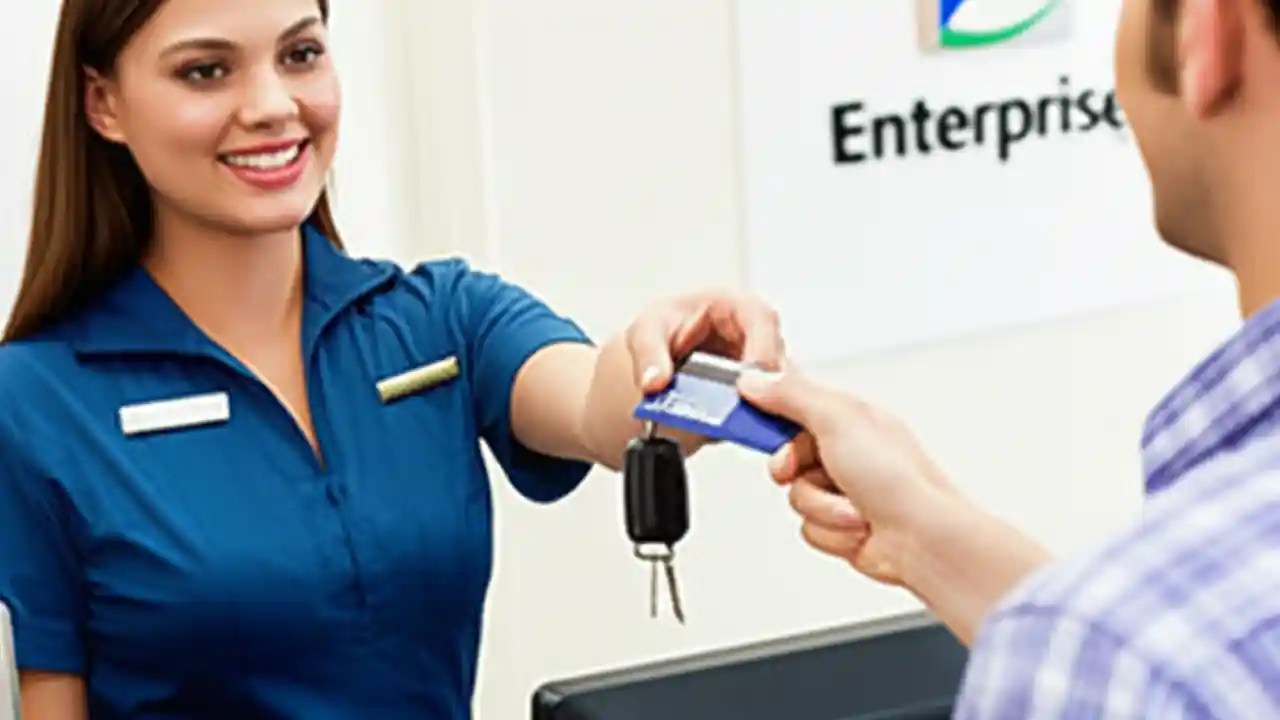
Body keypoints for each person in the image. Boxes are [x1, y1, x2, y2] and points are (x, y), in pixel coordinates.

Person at [0, 1, 786, 718]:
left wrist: (684, 370)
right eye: (206, 71)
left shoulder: (442, 320)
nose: (273, 105)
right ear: (103, 103)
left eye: (301, 54)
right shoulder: (33, 403)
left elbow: (602, 408)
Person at [737, 0, 1280, 716]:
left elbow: (1139, 663)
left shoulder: (1122, 657)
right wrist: (926, 534)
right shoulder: (1136, 646)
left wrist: (1076, 631)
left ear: (1209, 33)